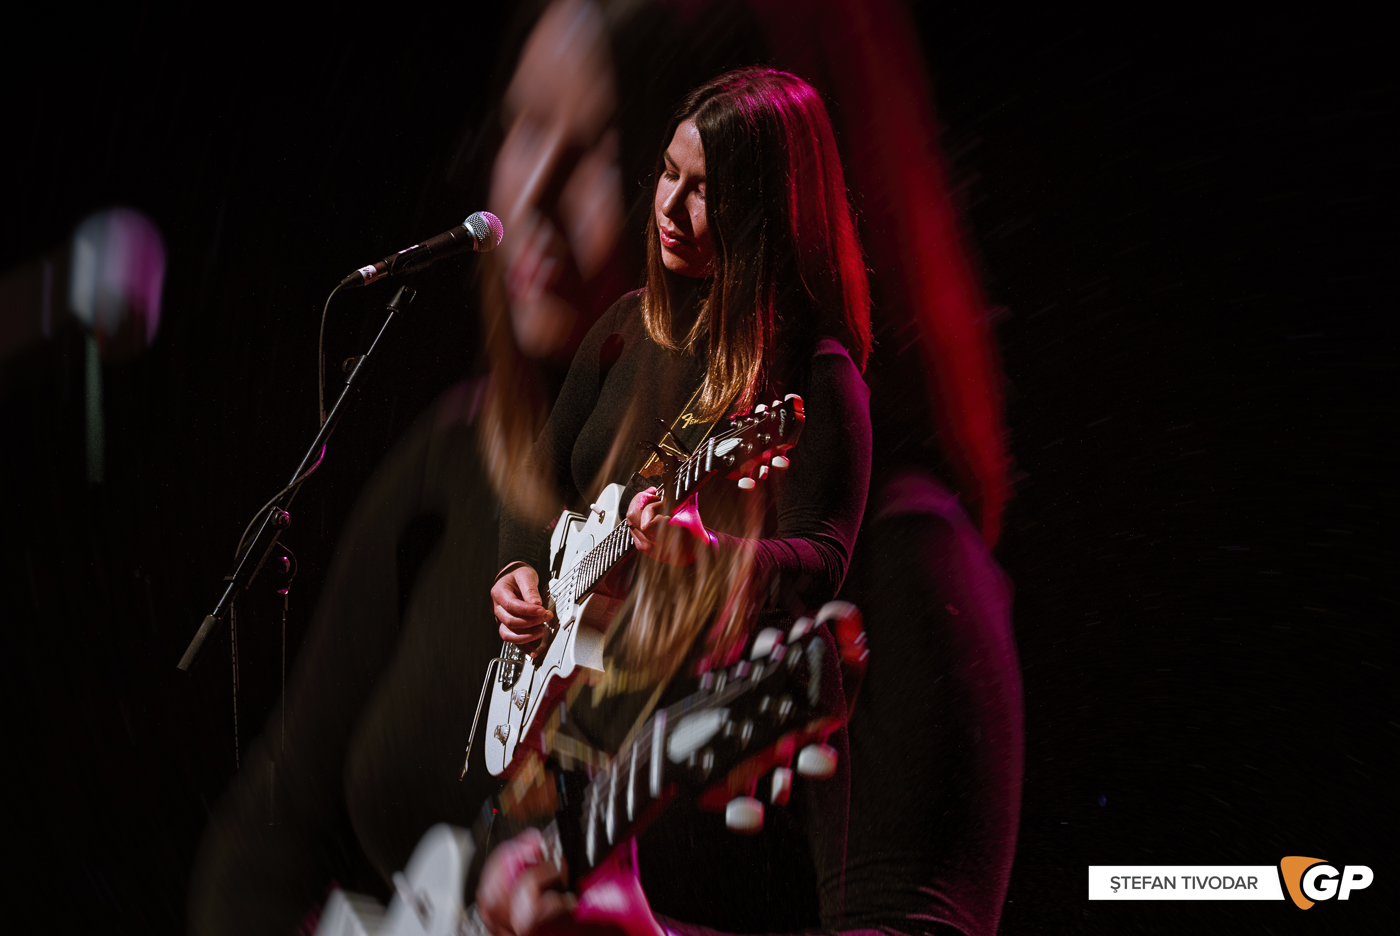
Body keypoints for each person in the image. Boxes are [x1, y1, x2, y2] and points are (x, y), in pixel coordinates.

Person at [483, 65, 873, 936]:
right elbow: (534, 480)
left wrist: (715, 560)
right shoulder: (623, 329)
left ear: (766, 213)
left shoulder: (815, 378)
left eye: (705, 193)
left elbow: (825, 560)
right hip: (579, 765)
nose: (670, 205)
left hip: (701, 795)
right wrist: (517, 566)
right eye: (668, 174)